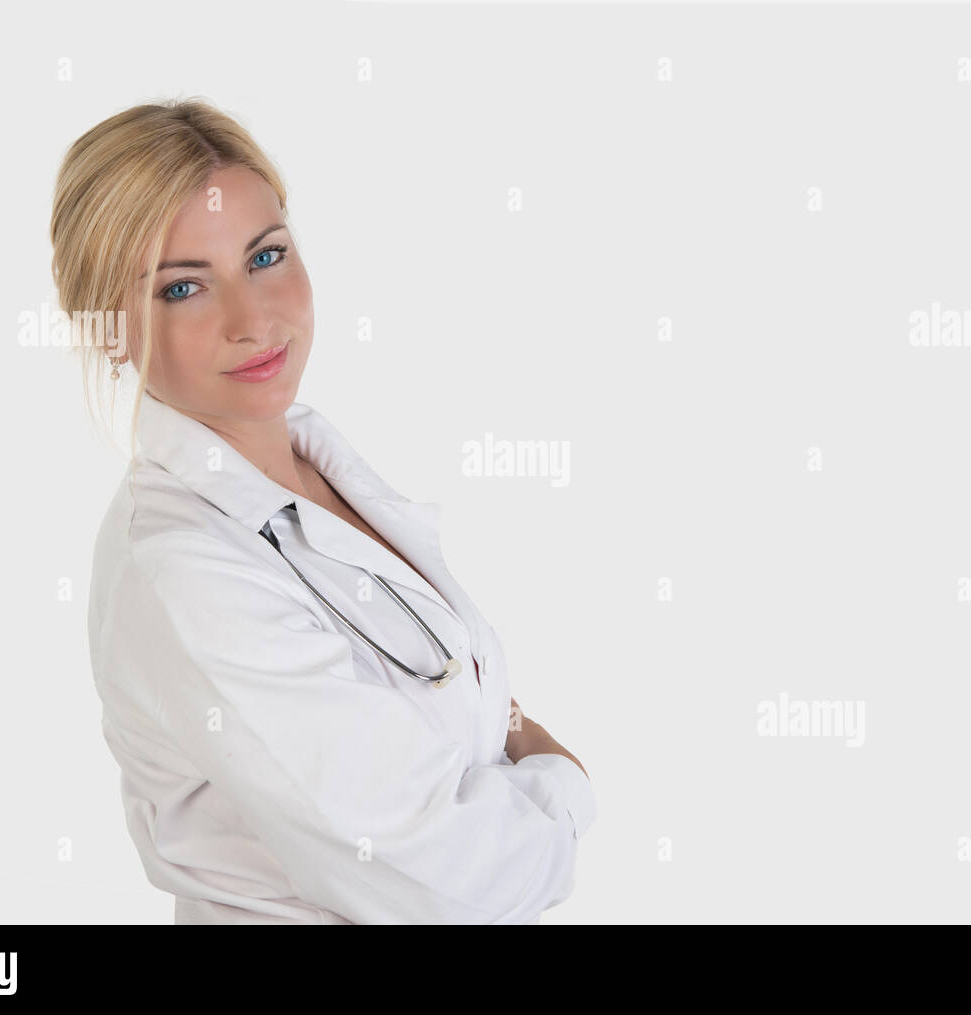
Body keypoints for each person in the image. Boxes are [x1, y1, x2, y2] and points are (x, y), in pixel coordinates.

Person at [50, 98, 596, 924]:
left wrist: (512, 748)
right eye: (185, 286)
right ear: (110, 331)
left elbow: (478, 701)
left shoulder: (310, 459)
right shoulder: (183, 570)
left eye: (265, 255)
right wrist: (566, 790)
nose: (253, 318)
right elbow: (443, 879)